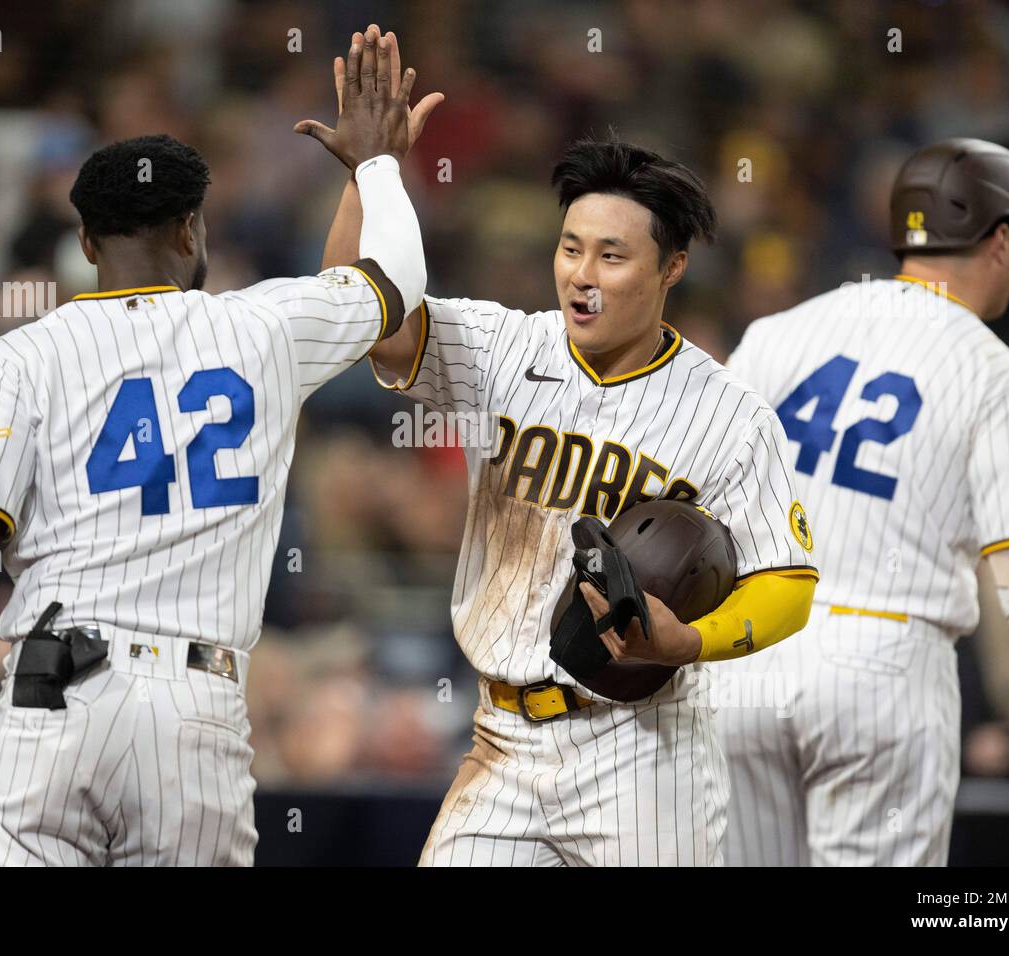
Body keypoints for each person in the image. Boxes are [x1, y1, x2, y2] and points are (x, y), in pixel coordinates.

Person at [0, 33, 426, 866]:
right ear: (192, 229)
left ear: (90, 244)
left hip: (52, 694)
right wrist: (377, 166)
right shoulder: (266, 327)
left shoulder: (22, 354)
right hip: (194, 710)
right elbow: (398, 278)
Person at [305, 26, 817, 866]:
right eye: (570, 247)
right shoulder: (506, 345)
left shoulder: (728, 412)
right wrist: (370, 174)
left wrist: (690, 641)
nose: (581, 272)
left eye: (612, 256)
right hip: (501, 741)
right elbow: (355, 318)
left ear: (672, 267)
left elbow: (788, 585)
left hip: (643, 752)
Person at [716, 137, 1009, 866]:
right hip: (886, 671)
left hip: (748, 659)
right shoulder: (1003, 380)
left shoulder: (775, 334)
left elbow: (698, 501)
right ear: (1002, 240)